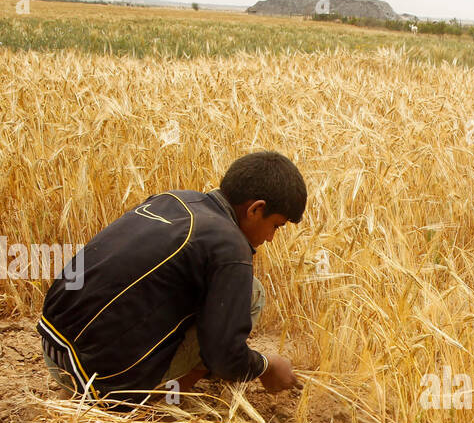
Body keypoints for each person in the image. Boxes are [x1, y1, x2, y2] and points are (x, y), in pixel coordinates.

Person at [37, 151, 304, 409]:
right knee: (251, 295)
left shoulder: (175, 199)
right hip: (99, 382)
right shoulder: (230, 248)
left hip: (53, 346)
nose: (271, 238)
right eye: (276, 226)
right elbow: (224, 357)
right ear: (256, 210)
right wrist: (265, 366)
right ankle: (166, 401)